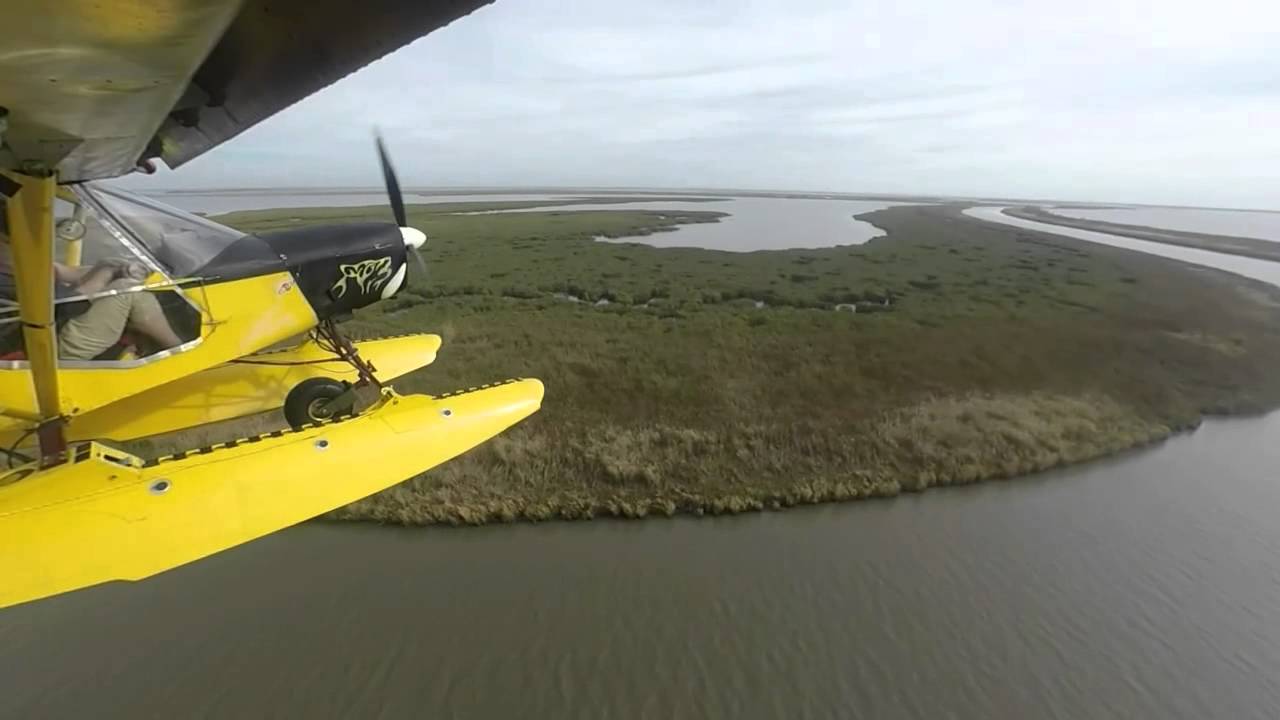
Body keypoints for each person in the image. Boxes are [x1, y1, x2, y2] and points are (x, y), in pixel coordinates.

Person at [0, 199, 183, 361]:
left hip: (61, 326)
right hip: (50, 344)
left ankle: (165, 346)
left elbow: (65, 272)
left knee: (121, 280)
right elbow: (66, 308)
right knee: (128, 291)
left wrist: (110, 267)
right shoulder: (8, 275)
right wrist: (102, 276)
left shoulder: (20, 261)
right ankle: (179, 351)